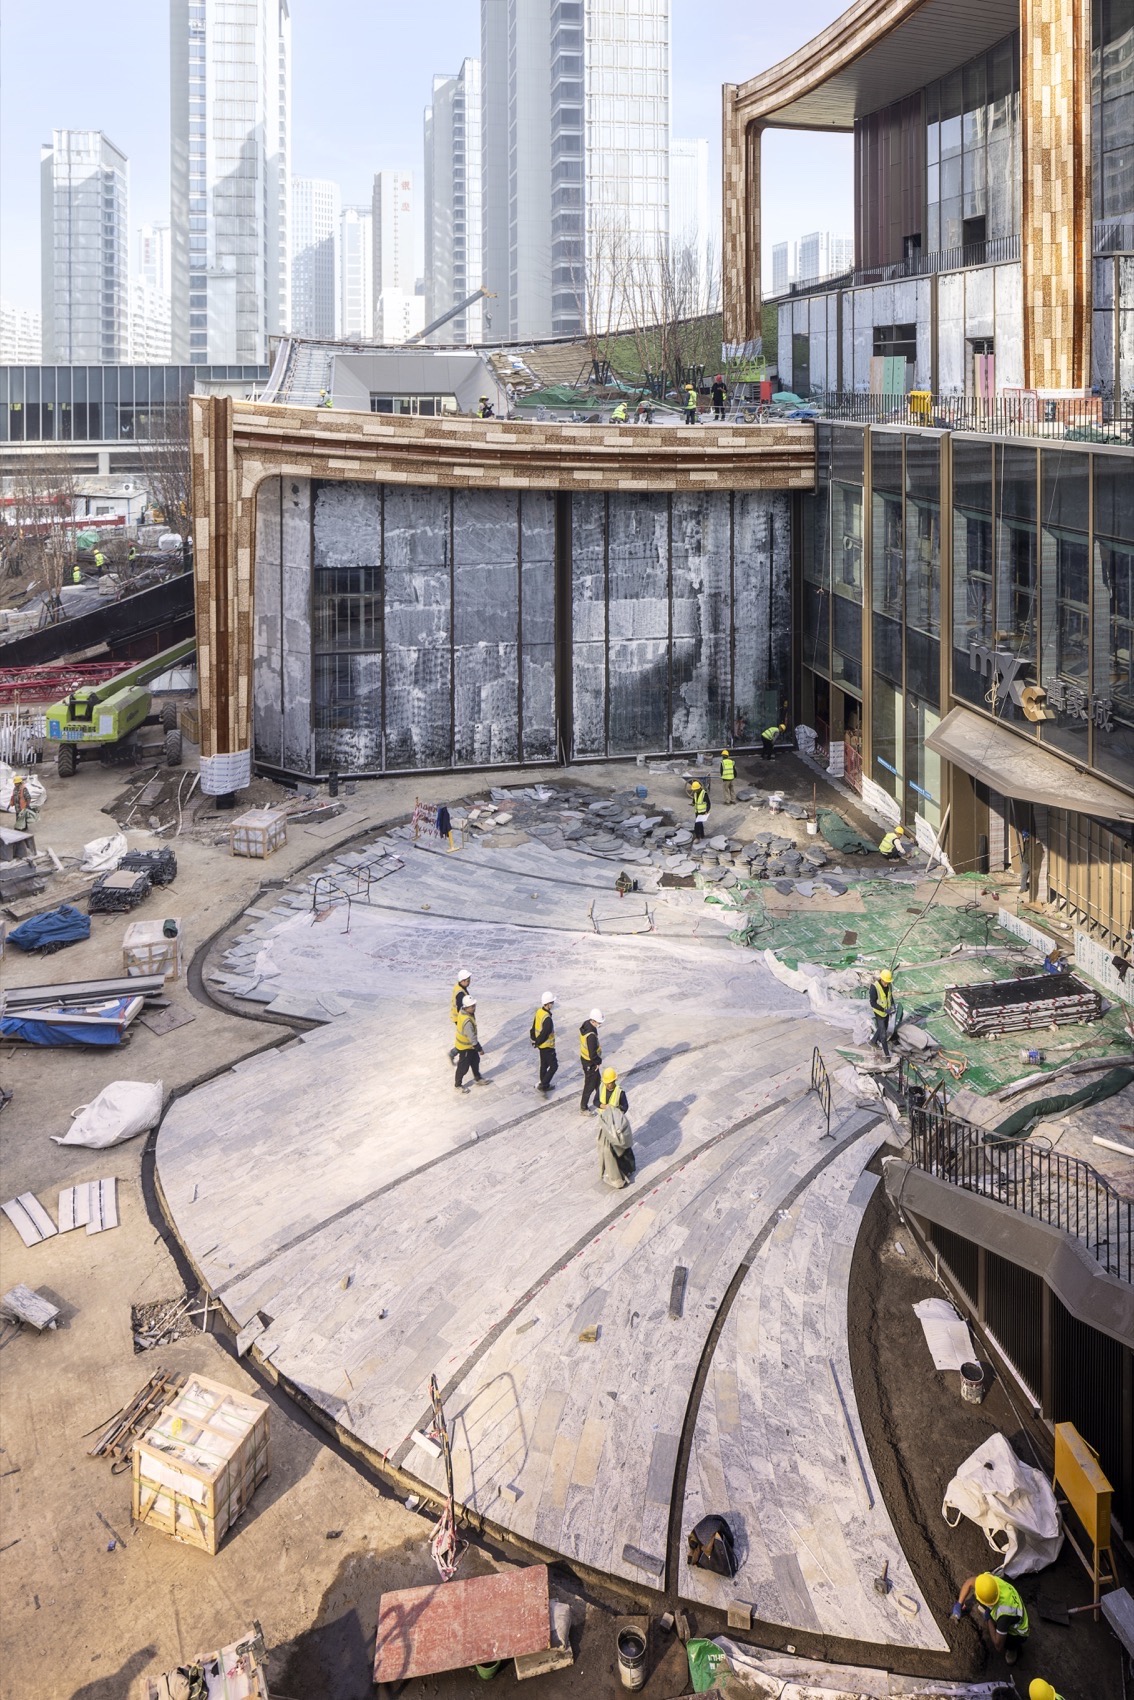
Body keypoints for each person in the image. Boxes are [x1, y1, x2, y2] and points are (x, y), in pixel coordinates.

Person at [953, 1572, 1030, 1666]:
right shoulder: (989, 1582)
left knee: (1006, 1641)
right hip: (1007, 1606)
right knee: (980, 1596)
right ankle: (990, 1612)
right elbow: (969, 1582)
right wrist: (959, 1603)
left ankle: (1013, 1649)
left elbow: (998, 1645)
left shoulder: (1004, 1615)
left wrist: (988, 1619)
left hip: (1019, 1632)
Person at [597, 1087, 635, 1189]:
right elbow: (596, 1102)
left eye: (611, 1082)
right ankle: (616, 1173)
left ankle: (628, 1170)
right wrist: (605, 1107)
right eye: (608, 1082)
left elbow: (625, 1107)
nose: (610, 1084)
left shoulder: (620, 1092)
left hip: (617, 1125)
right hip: (606, 1125)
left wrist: (615, 1110)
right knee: (608, 1151)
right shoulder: (601, 1089)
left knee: (622, 1147)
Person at [453, 997, 487, 1088]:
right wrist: (479, 1049)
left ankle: (478, 1078)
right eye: (472, 1006)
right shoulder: (467, 1021)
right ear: (466, 1007)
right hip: (465, 1048)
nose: (474, 1008)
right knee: (463, 1068)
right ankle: (458, 1085)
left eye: (474, 1006)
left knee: (475, 1061)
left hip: (470, 1047)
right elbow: (472, 1038)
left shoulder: (464, 1011)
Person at [531, 992, 558, 1091]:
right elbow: (544, 1034)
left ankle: (544, 1083)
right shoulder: (547, 1019)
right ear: (548, 1004)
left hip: (541, 1046)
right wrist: (537, 1042)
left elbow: (533, 1027)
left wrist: (534, 1039)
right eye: (552, 1003)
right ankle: (544, 1084)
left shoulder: (539, 1012)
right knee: (554, 1066)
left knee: (544, 1065)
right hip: (547, 1046)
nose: (553, 1005)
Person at [579, 1009, 605, 1113]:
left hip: (586, 1059)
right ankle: (584, 1107)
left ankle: (601, 1099)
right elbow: (592, 1054)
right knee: (589, 1085)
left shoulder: (586, 1024)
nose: (600, 1025)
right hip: (590, 1063)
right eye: (599, 1023)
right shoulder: (591, 1036)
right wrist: (598, 1062)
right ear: (593, 1021)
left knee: (597, 1081)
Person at [869, 969, 895, 1059]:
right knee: (883, 1035)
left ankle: (873, 1041)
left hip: (886, 1011)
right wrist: (884, 1009)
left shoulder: (888, 985)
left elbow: (890, 996)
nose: (887, 984)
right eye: (885, 982)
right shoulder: (874, 987)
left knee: (883, 1028)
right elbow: (872, 1003)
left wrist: (892, 1006)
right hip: (879, 1013)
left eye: (888, 982)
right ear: (881, 979)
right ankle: (887, 1055)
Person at [449, 968, 472, 1063]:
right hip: (460, 1019)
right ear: (462, 981)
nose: (469, 982)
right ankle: (455, 1053)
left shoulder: (458, 986)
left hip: (457, 1018)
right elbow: (460, 1010)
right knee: (466, 1039)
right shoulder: (460, 994)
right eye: (468, 980)